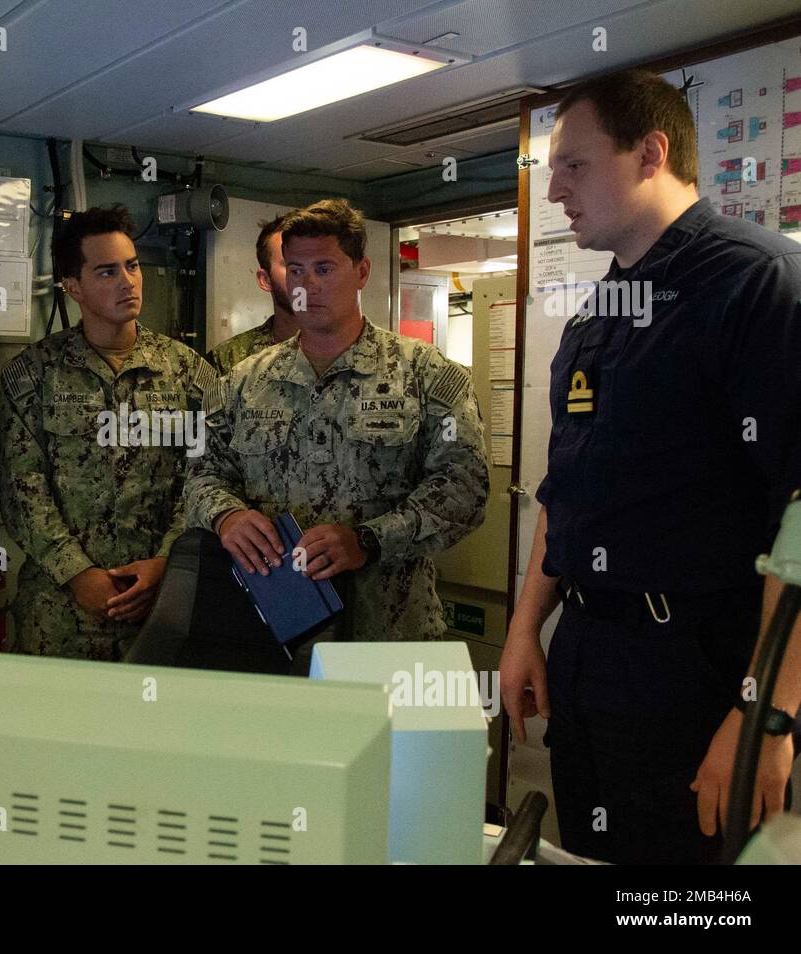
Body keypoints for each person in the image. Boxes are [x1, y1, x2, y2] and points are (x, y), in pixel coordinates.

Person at [499, 69, 801, 864]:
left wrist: (768, 715)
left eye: (574, 165)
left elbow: (798, 516)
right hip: (591, 653)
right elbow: (566, 491)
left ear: (650, 153)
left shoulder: (758, 283)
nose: (556, 188)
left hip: (699, 668)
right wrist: (527, 627)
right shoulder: (601, 312)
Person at [184, 198, 489, 645]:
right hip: (273, 631)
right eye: (295, 270)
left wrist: (368, 541)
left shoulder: (424, 374)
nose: (306, 286)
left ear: (362, 271)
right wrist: (227, 516)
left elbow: (466, 489)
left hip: (390, 631)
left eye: (324, 269)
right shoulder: (244, 381)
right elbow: (200, 473)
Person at [0, 205, 216, 660]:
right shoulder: (34, 374)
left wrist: (166, 563)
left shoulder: (188, 372)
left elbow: (206, 477)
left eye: (132, 266)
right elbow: (21, 489)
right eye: (106, 271)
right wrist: (77, 573)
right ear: (73, 286)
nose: (127, 281)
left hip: (164, 606)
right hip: (60, 614)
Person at [207, 213, 299, 374]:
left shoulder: (350, 349)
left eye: (321, 268)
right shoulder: (229, 360)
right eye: (292, 265)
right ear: (265, 280)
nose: (307, 277)